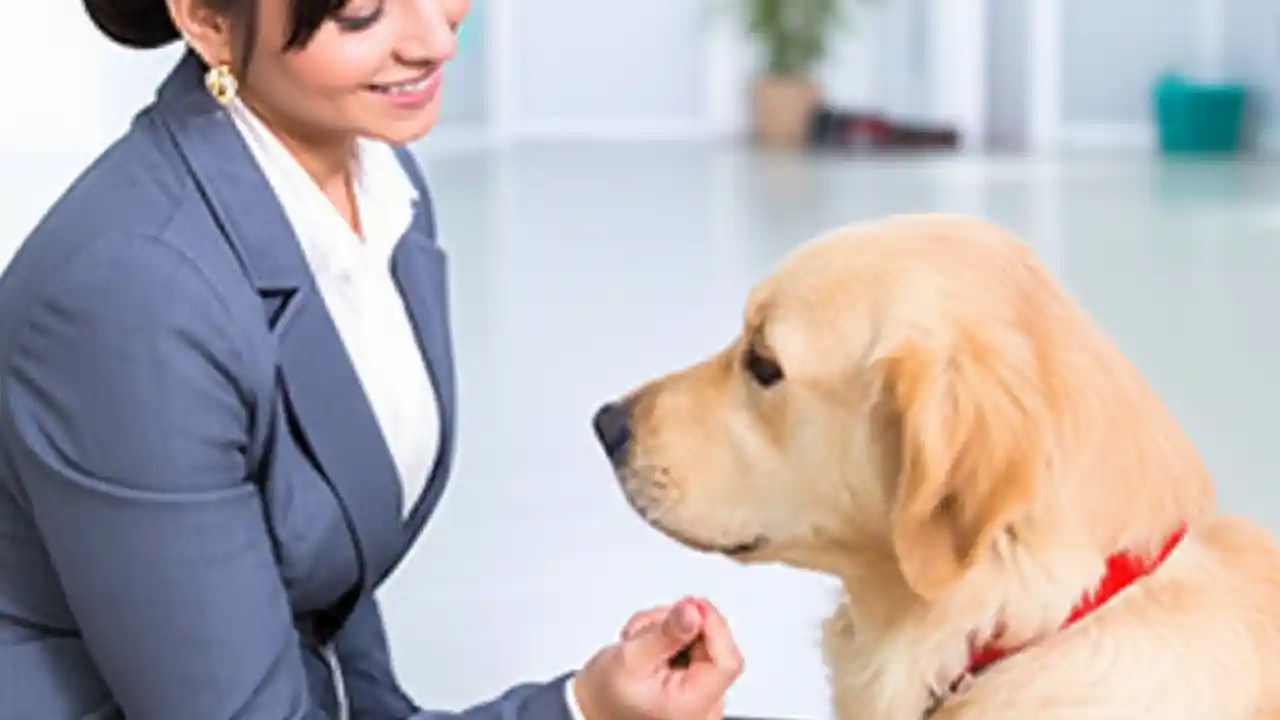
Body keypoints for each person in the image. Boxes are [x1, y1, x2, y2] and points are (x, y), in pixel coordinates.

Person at [0, 1, 744, 718]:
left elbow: (324, 576)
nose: (436, 40)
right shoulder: (136, 302)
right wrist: (579, 711)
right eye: (361, 12)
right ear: (205, 19)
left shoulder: (381, 186)